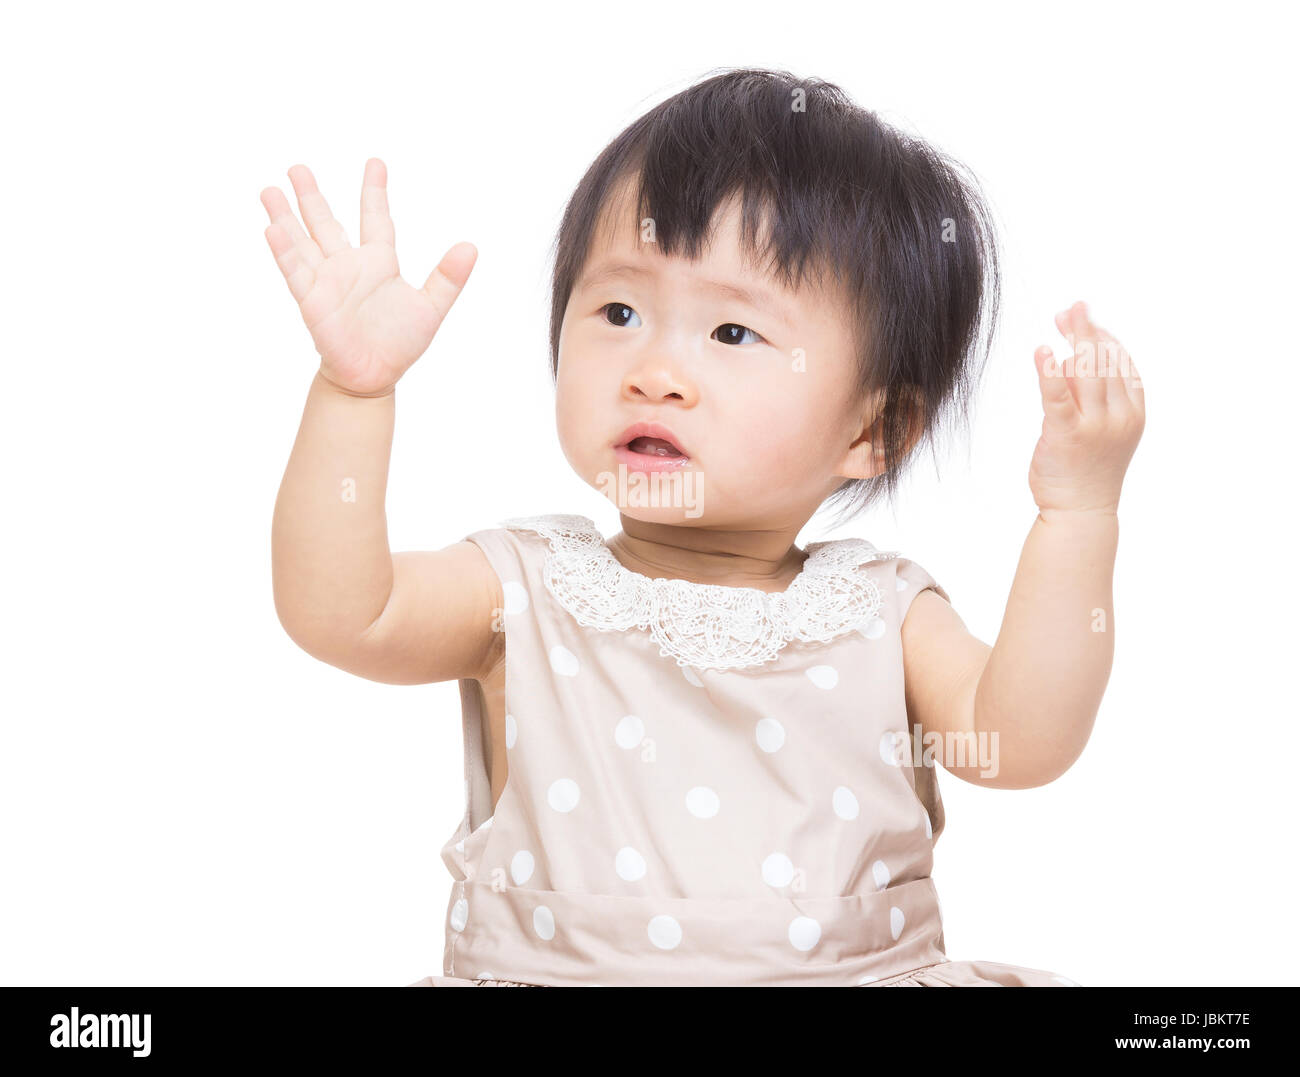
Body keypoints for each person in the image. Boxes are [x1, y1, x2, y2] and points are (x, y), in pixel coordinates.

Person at [262, 68, 1143, 987]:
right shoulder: (524, 587)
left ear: (872, 430)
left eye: (729, 334)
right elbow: (341, 612)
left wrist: (1078, 514)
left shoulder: (882, 615)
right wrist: (353, 393)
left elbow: (1023, 741)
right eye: (619, 311)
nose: (654, 370)